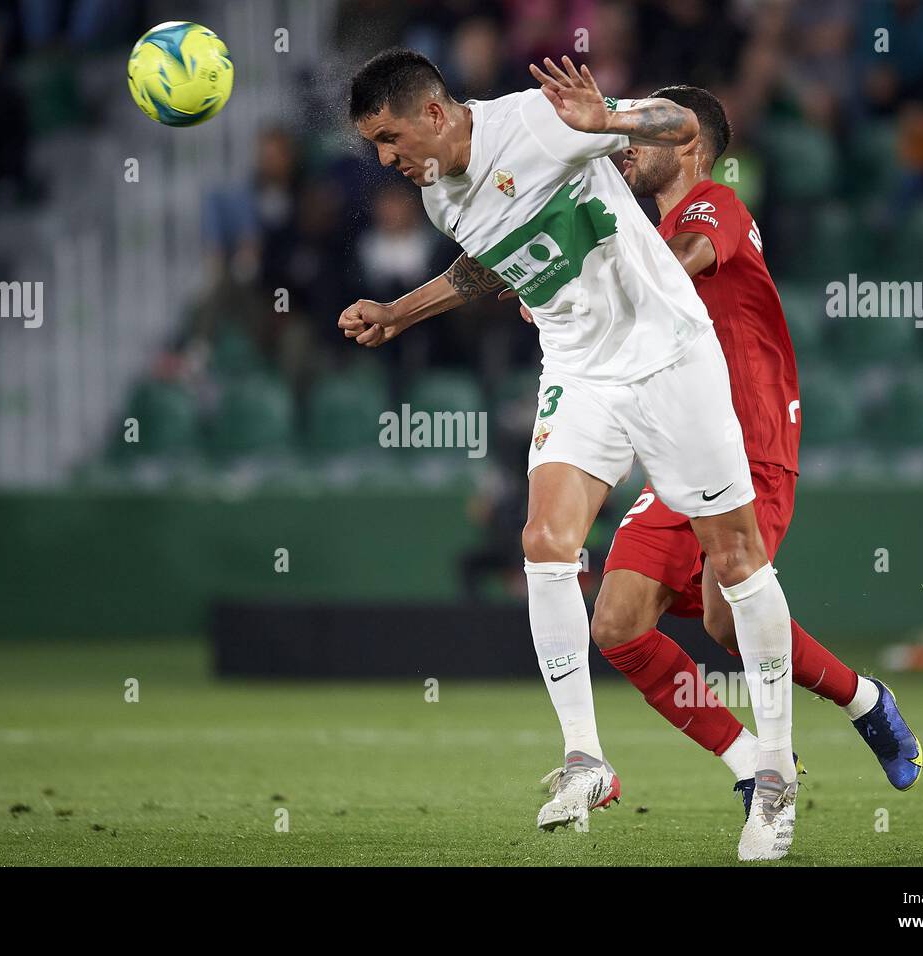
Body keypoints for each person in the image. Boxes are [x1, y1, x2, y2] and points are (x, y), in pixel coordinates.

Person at [340, 49, 801, 859]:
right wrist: (402, 312)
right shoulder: (441, 192)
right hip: (581, 367)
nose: (385, 160)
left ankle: (773, 773)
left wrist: (611, 119)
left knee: (735, 558)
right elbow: (489, 261)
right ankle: (586, 758)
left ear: (435, 115)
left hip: (667, 352)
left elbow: (684, 123)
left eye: (388, 138)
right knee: (544, 544)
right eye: (374, 147)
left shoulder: (535, 118)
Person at [512, 86, 923, 816]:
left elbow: (676, 266)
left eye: (642, 128)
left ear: (691, 141)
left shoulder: (715, 205)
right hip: (679, 447)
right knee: (615, 625)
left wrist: (581, 281)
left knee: (725, 620)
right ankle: (748, 760)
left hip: (751, 440)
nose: (628, 142)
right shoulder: (648, 227)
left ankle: (866, 702)